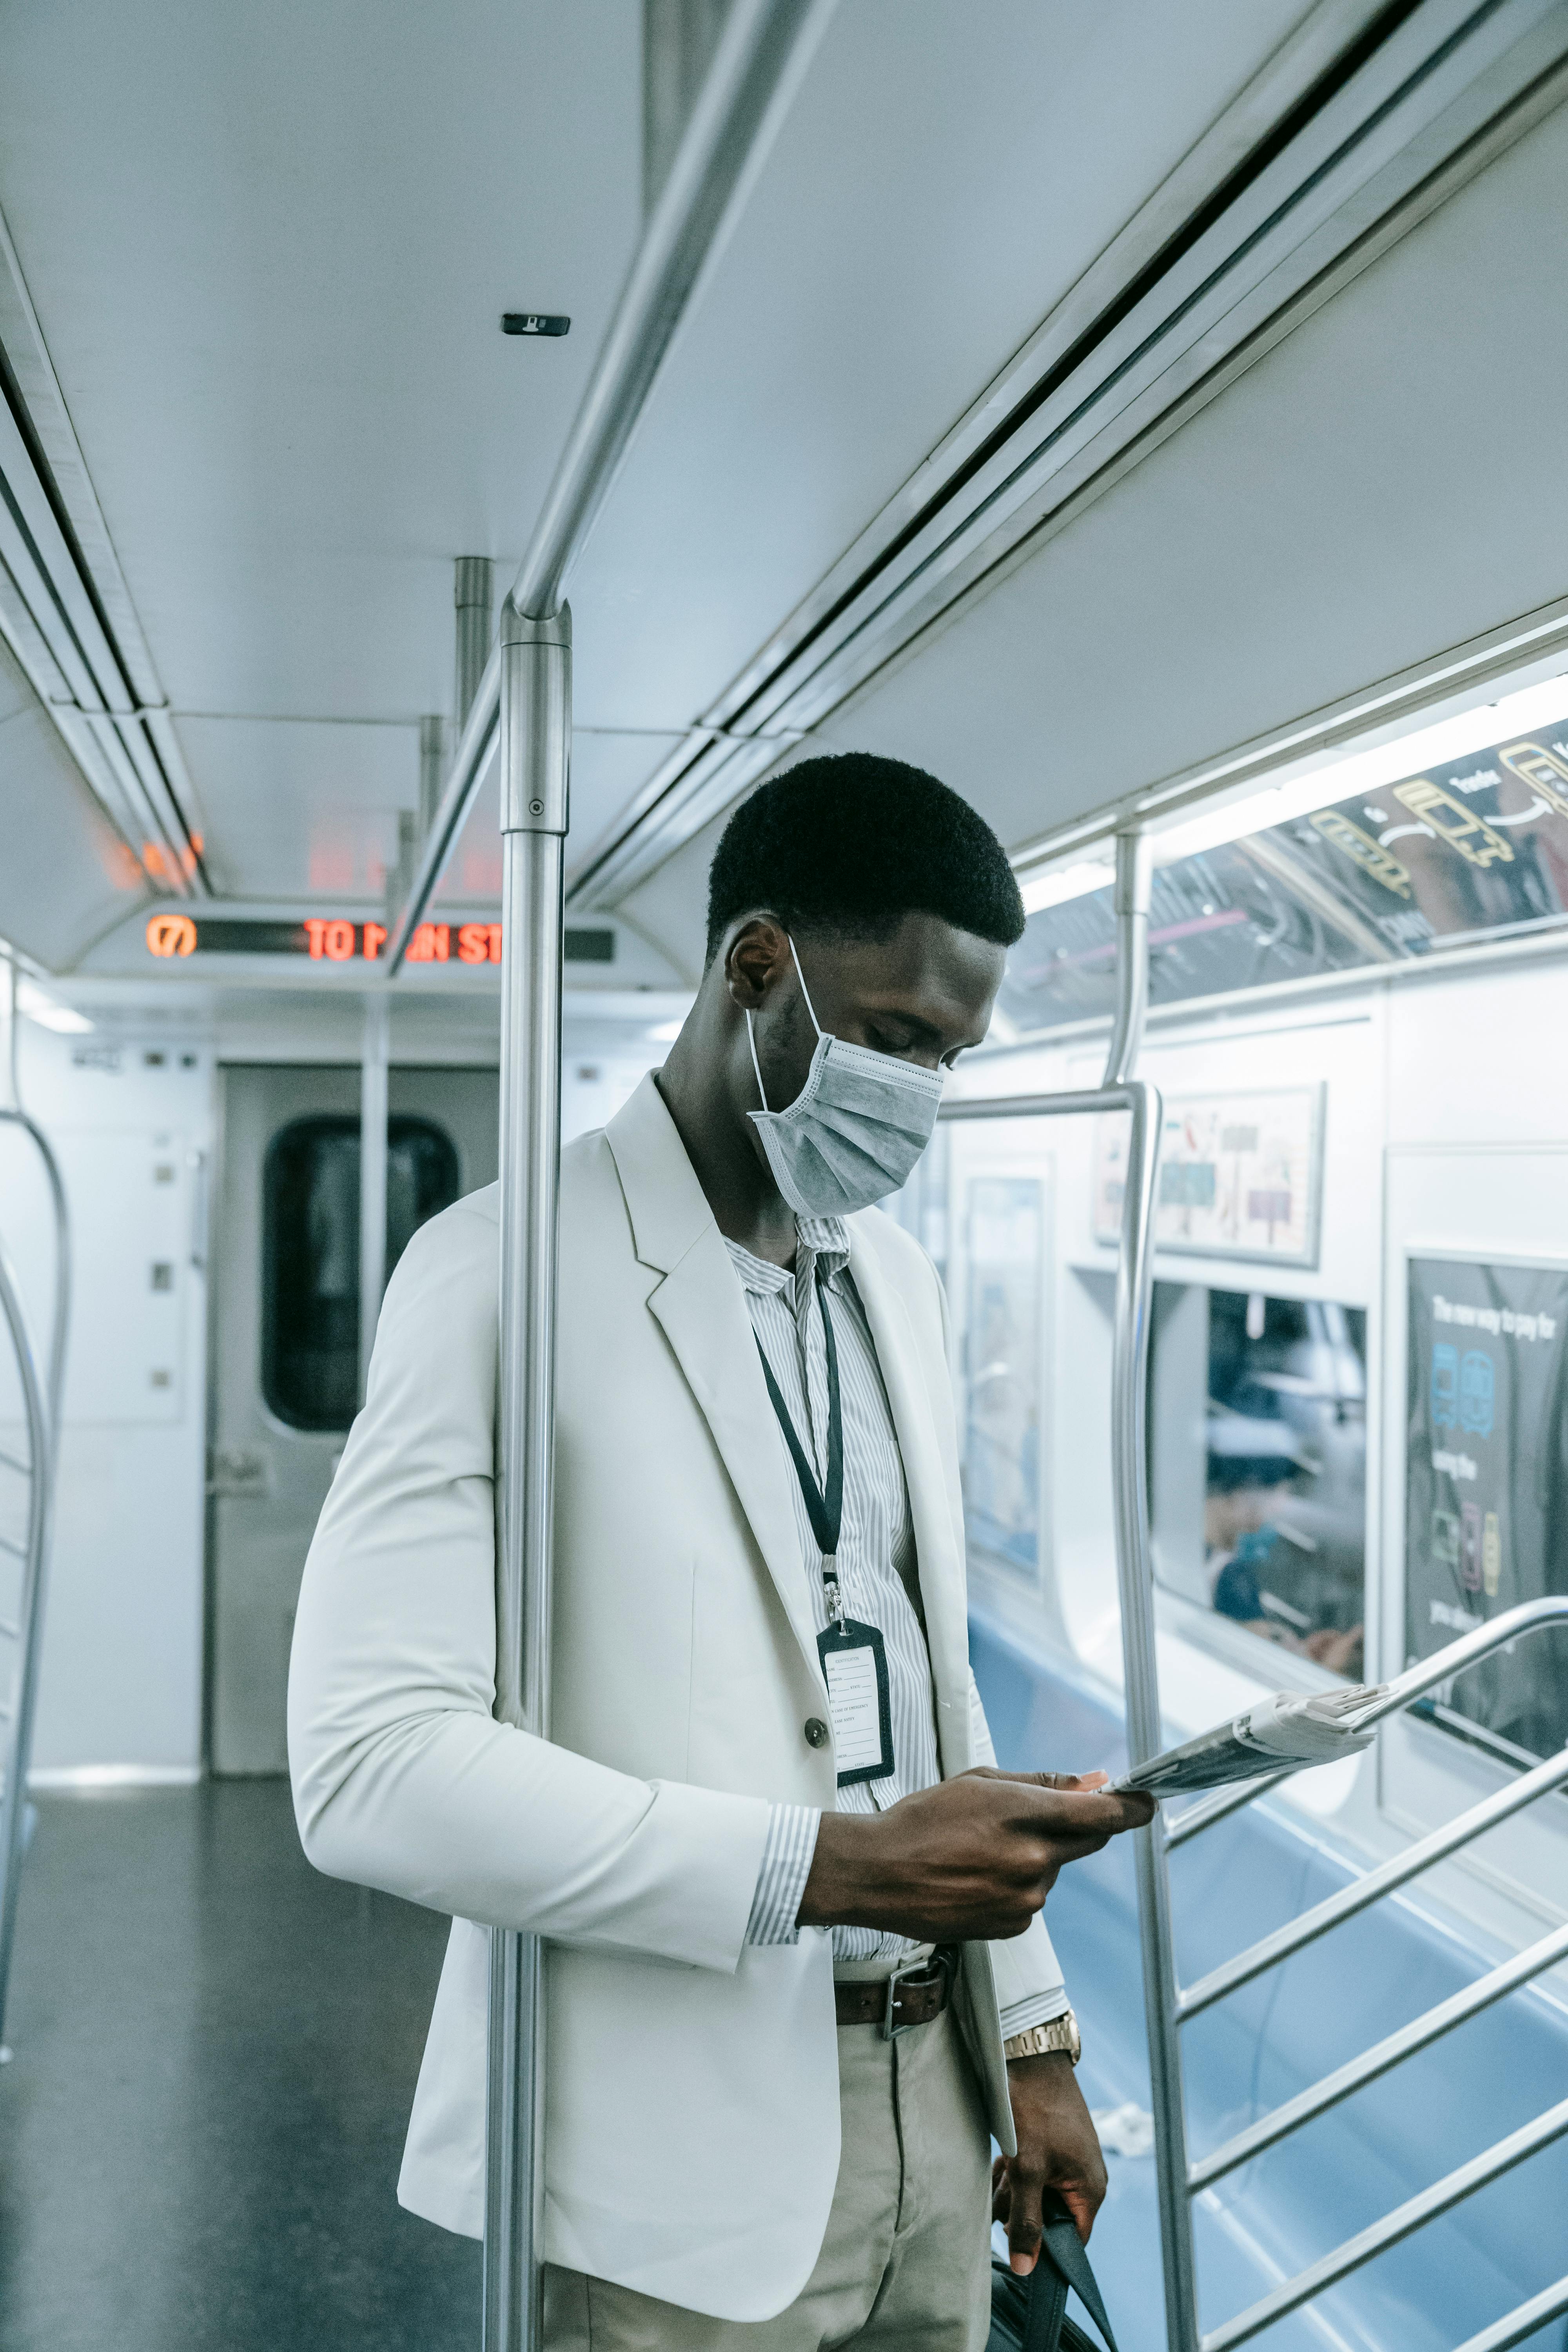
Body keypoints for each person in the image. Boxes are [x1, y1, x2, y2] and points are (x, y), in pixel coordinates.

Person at [288, 752, 1154, 2351]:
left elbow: (918, 1663)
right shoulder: (499, 1274)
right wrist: (835, 1867)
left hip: (936, 2107)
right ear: (758, 965)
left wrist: (1031, 2047)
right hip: (670, 2153)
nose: (920, 1095)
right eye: (894, 1038)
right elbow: (369, 1767)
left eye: (949, 1057)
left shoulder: (888, 1278)